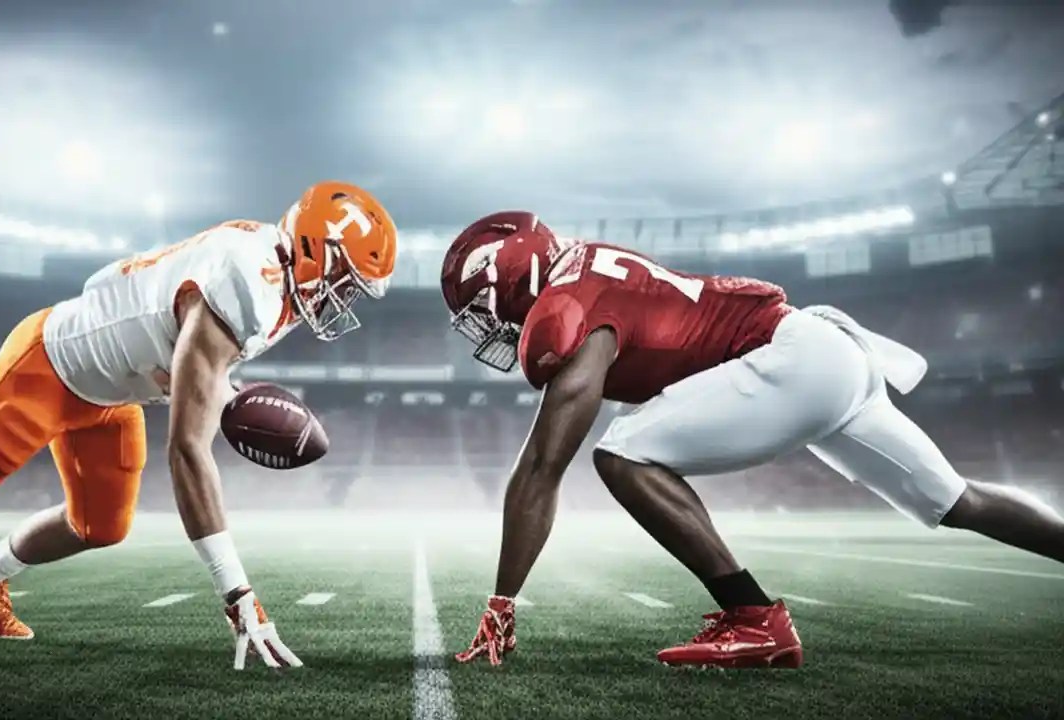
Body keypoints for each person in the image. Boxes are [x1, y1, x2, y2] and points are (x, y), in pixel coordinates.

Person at [0, 181, 397, 669]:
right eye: (346, 279)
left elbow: (184, 340)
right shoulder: (249, 285)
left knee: (99, 525)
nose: (343, 297)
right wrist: (237, 593)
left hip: (112, 392)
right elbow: (187, 452)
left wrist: (221, 388)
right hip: (48, 367)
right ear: (318, 248)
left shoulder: (273, 267)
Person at [439, 210, 1064, 669]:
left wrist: (502, 602)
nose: (490, 329)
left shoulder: (571, 305)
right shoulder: (588, 265)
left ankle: (754, 617)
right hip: (826, 352)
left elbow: (543, 468)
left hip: (793, 361)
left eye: (484, 310)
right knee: (957, 502)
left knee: (622, 453)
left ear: (513, 278)